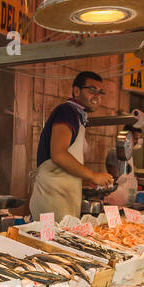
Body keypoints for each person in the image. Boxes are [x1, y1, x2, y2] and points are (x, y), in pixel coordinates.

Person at [29, 71, 114, 222]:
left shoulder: (78, 116)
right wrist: (93, 175)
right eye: (92, 90)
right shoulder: (66, 111)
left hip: (62, 202)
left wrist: (82, 179)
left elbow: (65, 162)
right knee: (47, 245)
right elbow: (59, 154)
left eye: (100, 92)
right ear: (76, 91)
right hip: (52, 203)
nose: (97, 96)